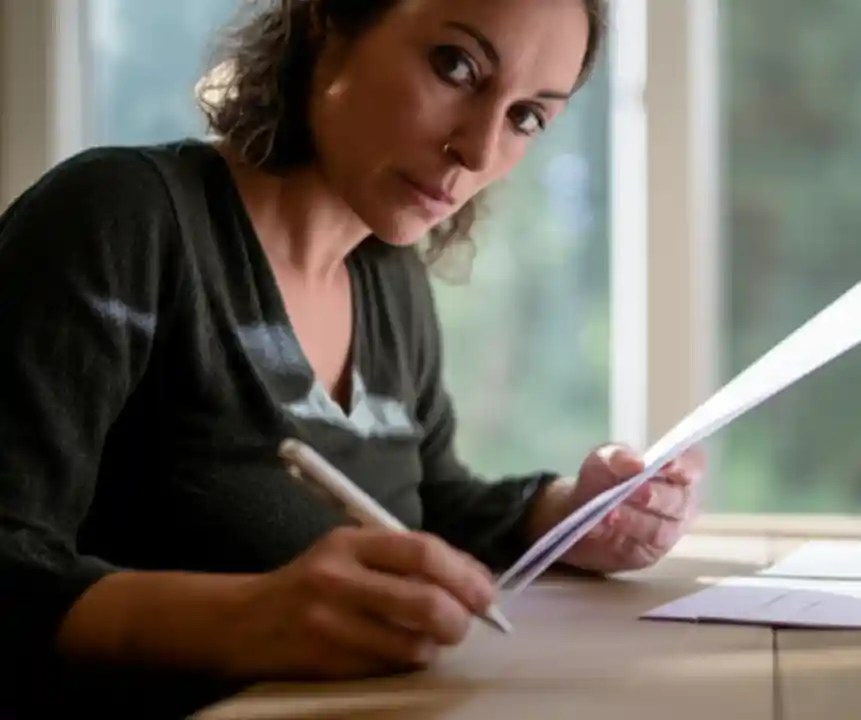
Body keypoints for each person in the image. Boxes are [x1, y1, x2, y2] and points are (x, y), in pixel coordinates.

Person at [0, 0, 704, 714]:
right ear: (326, 24)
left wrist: (572, 514)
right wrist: (250, 619)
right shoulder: (119, 223)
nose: (481, 151)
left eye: (526, 116)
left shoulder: (387, 277)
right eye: (456, 67)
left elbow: (427, 502)